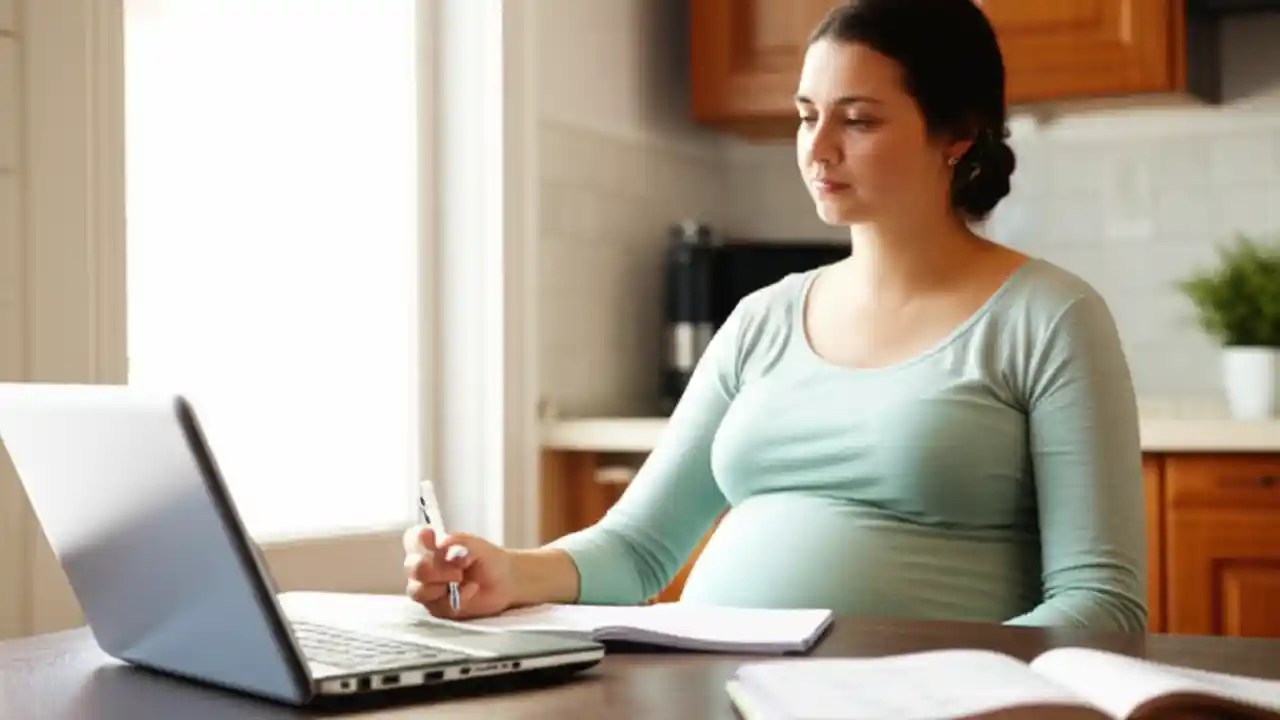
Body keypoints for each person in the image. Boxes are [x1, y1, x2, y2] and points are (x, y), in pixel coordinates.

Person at [402, 0, 1147, 632]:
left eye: (857, 120)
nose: (817, 150)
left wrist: (917, 683)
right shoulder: (762, 319)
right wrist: (509, 573)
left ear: (957, 135)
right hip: (716, 695)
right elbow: (636, 550)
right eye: (806, 116)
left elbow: (1102, 606)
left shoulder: (1048, 318)